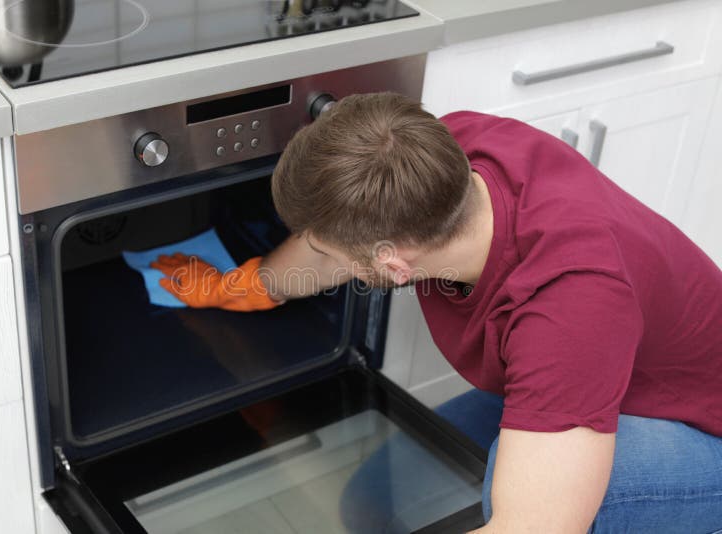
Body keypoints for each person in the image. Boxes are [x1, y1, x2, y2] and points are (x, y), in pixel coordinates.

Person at [150, 93, 722, 533]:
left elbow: (533, 529)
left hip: (705, 433)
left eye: (331, 255)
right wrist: (239, 286)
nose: (320, 255)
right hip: (609, 375)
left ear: (395, 266)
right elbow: (340, 234)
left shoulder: (570, 304)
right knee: (376, 501)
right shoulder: (445, 151)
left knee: (530, 496)